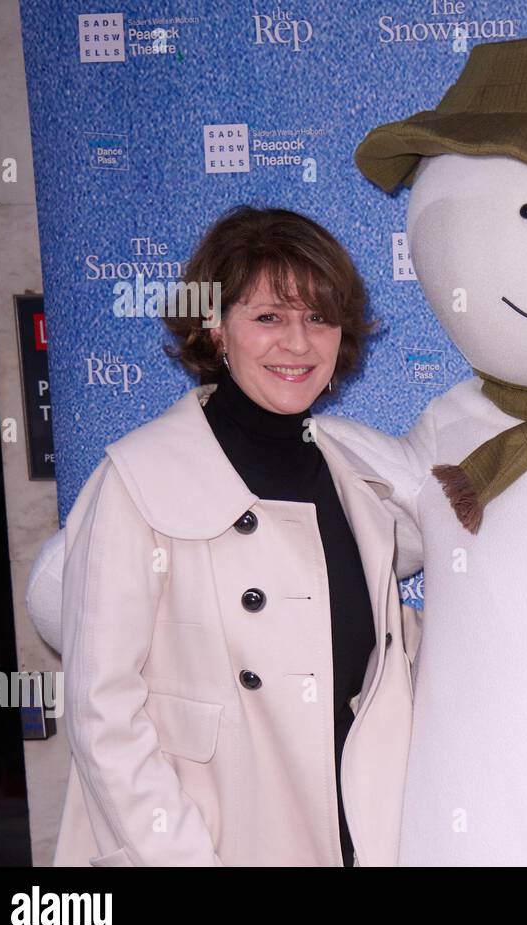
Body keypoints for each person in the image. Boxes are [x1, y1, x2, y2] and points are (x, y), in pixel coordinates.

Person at [52, 205, 416, 866]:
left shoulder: (357, 487)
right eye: (269, 317)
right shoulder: (139, 481)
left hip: (353, 837)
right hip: (210, 842)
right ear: (215, 329)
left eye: (319, 318)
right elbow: (101, 713)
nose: (298, 344)